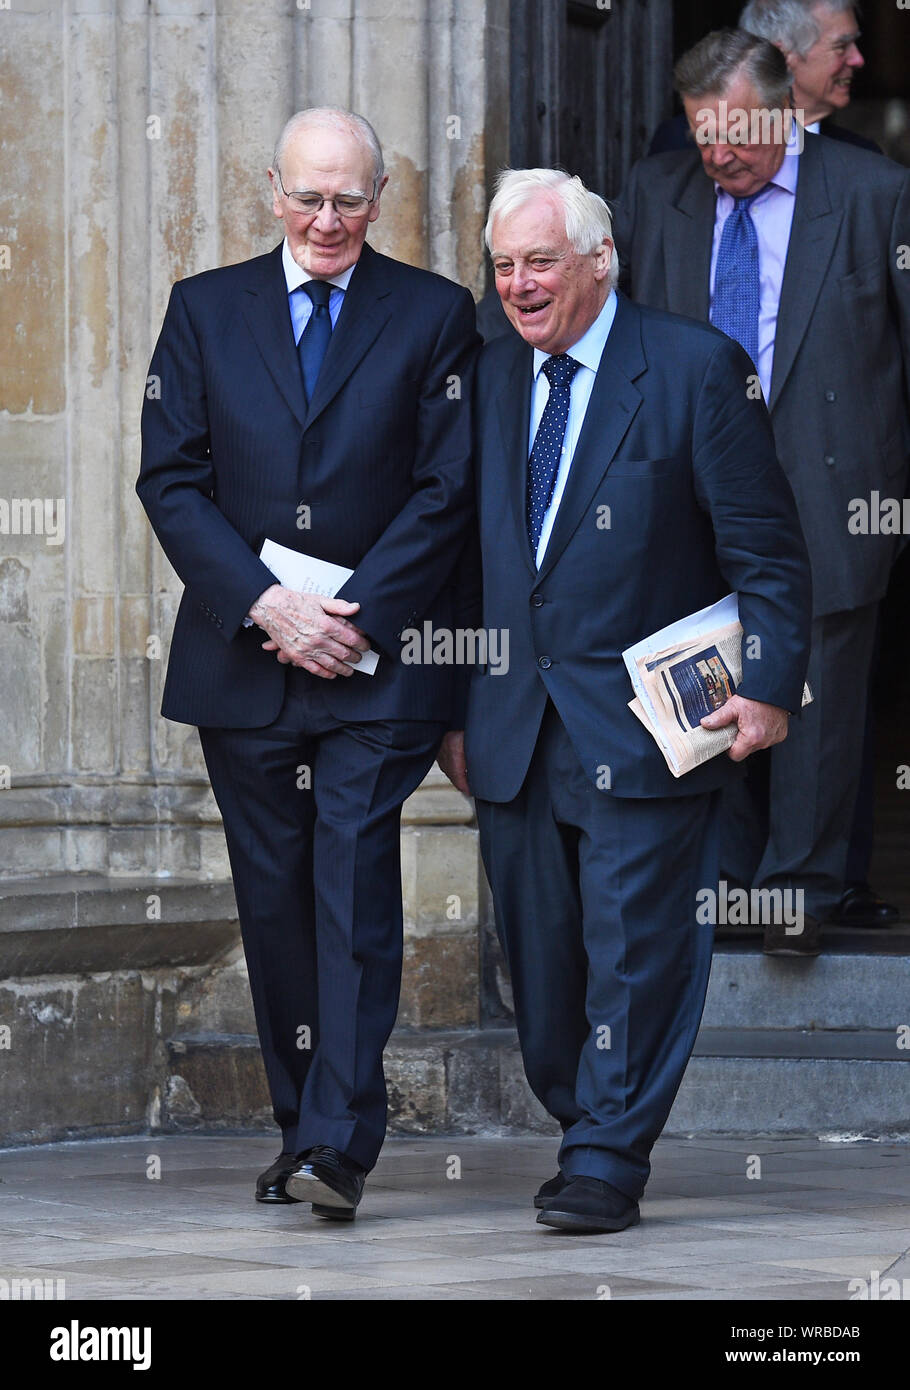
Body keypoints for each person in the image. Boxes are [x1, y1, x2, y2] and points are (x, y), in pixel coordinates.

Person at [437, 168, 811, 1233]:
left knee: (637, 945)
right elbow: (460, 555)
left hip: (646, 726)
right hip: (512, 725)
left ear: (600, 262)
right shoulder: (488, 371)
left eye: (539, 262)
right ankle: (582, 1111)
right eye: (503, 265)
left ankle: (605, 1154)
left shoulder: (694, 368)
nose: (517, 284)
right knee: (545, 974)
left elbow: (766, 551)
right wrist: (449, 709)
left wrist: (771, 684)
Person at [137, 107, 478, 1220]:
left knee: (350, 882)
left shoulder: (435, 314)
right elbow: (170, 479)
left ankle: (341, 1139)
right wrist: (268, 605)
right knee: (274, 900)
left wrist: (358, 612)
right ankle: (301, 1129)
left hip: (375, 667)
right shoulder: (202, 310)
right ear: (268, 191)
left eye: (349, 199)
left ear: (381, 199)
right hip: (247, 657)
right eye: (307, 197)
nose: (326, 219)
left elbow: (446, 489)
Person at [613, 31, 910, 954]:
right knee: (705, 677)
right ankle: (729, 883)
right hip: (691, 494)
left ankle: (803, 890)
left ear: (787, 110)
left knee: (816, 692)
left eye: (738, 133)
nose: (720, 155)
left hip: (834, 487)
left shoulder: (875, 196)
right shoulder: (655, 198)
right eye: (703, 136)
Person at [649, 0, 879, 155]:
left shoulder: (863, 158)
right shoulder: (681, 146)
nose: (858, 60)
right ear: (782, 55)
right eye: (841, 46)